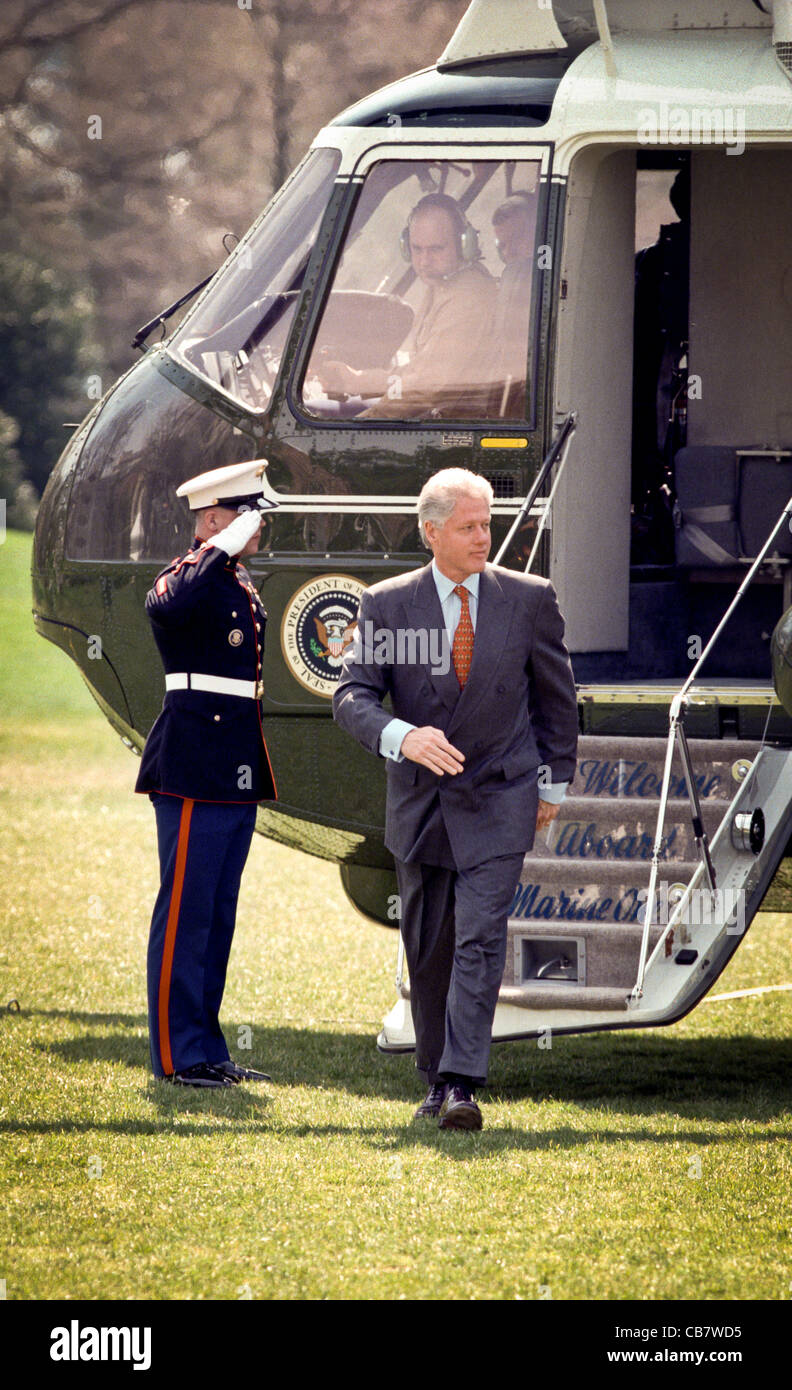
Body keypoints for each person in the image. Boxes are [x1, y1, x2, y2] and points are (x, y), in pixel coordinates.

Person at [332, 469, 578, 1130]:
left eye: (487, 524)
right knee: (429, 946)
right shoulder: (386, 604)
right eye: (468, 526)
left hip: (501, 797)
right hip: (421, 805)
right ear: (430, 530)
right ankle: (436, 1078)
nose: (482, 537)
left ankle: (463, 1084)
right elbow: (350, 697)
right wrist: (402, 736)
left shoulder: (528, 599)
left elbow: (557, 701)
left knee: (479, 937)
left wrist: (552, 785)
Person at [135, 460, 278, 1088]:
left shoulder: (236, 582)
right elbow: (165, 607)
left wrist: (228, 543)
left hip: (232, 767)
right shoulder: (190, 576)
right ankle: (176, 1054)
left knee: (217, 911)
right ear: (219, 518)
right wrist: (217, 541)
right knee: (187, 909)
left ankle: (207, 1046)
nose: (261, 527)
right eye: (251, 515)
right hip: (193, 763)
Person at [318, 193, 497, 419]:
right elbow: (418, 375)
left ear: (464, 244)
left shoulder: (468, 298)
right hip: (436, 414)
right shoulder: (443, 284)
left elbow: (424, 390)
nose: (424, 261)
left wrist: (362, 423)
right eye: (417, 249)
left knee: (318, 417)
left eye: (436, 249)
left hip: (451, 428)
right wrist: (358, 380)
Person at [490, 193, 537, 401]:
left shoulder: (525, 273)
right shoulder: (510, 278)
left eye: (517, 239)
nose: (509, 253)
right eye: (502, 246)